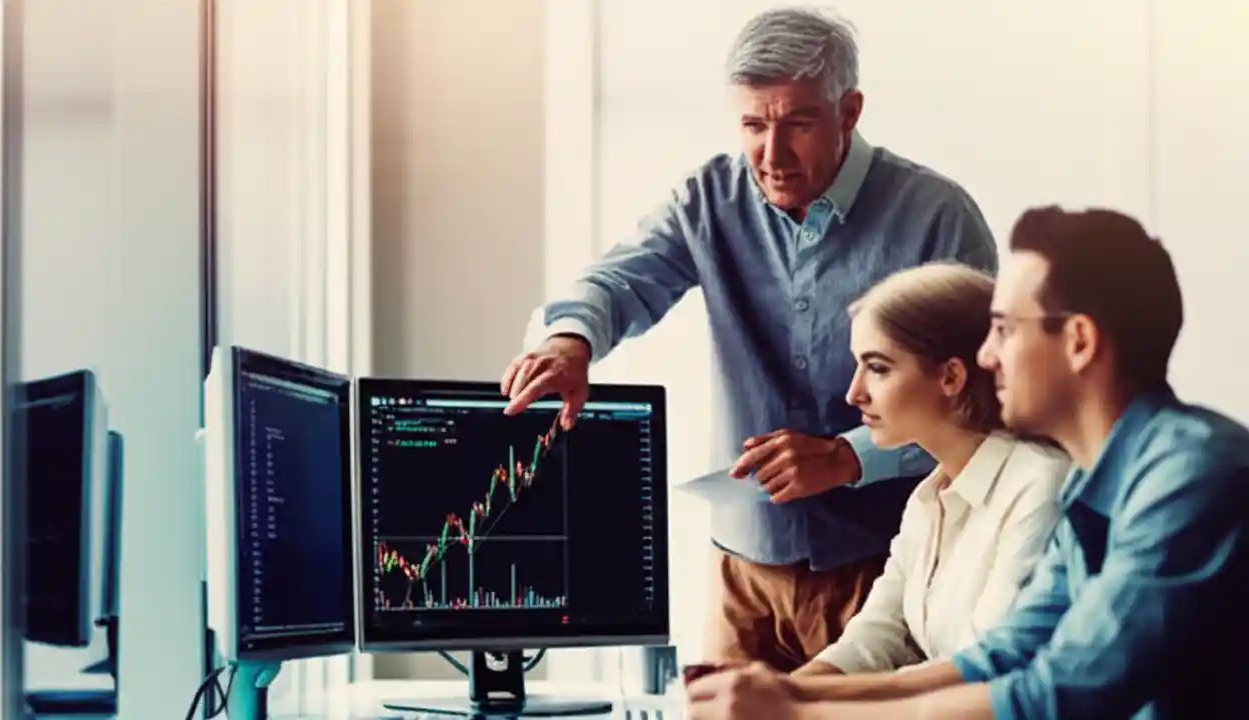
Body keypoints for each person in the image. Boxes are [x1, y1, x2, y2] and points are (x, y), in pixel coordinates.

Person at [501, 7, 997, 671]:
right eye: (753, 124)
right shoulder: (708, 199)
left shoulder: (938, 218)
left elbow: (979, 404)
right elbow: (618, 283)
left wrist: (848, 457)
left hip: (882, 570)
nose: (771, 152)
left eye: (797, 122)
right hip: (740, 574)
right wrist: (570, 341)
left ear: (849, 112)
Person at [686, 206, 1249, 719]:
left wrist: (801, 713)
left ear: (1078, 341)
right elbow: (999, 655)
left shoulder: (1190, 476)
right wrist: (791, 691)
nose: (986, 355)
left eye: (1004, 330)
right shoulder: (1093, 485)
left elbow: (1057, 692)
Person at [791, 262, 1068, 678]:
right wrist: (787, 694)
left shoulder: (1040, 487)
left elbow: (983, 672)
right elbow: (875, 637)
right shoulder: (927, 499)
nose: (854, 393)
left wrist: (799, 706)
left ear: (951, 376)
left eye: (878, 368)